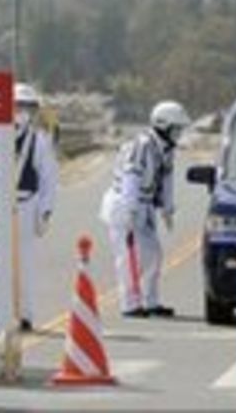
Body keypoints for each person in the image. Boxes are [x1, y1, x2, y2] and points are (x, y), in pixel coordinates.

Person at [100, 100, 191, 318]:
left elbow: (167, 179)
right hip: (125, 205)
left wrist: (167, 209)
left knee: (153, 255)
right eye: (176, 129)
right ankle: (130, 304)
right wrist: (130, 211)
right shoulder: (141, 145)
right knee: (128, 258)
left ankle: (151, 301)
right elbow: (132, 176)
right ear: (164, 126)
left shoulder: (166, 149)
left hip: (145, 204)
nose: (179, 134)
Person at [13, 83, 59, 333]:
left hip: (26, 205)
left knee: (25, 264)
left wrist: (45, 211)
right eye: (18, 106)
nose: (23, 112)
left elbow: (49, 178)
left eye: (28, 107)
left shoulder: (39, 139)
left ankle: (25, 315)